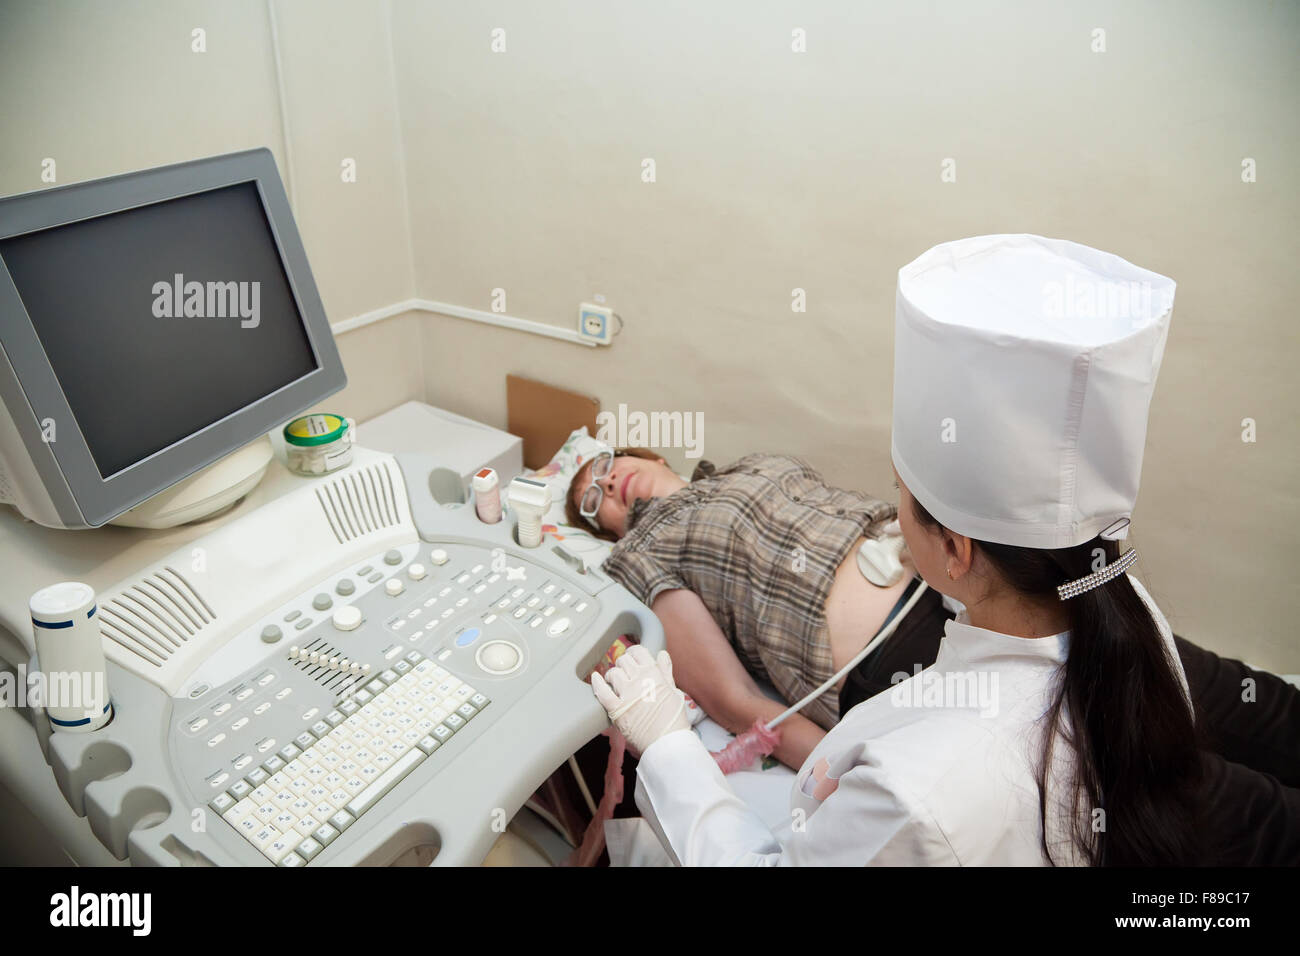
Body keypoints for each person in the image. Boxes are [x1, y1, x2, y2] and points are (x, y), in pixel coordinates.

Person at [589, 234, 1300, 865]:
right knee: (1241, 796)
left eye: (899, 491)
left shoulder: (919, 786)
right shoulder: (1105, 585)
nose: (607, 483)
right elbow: (739, 698)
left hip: (952, 657)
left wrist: (667, 744)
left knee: (1263, 745)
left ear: (954, 549)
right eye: (592, 500)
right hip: (909, 647)